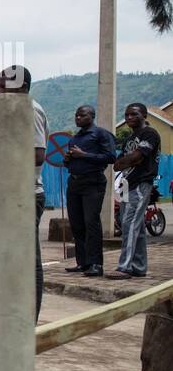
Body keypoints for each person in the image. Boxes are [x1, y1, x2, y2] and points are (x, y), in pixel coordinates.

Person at [0, 65, 48, 319]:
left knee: (28, 261)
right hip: (8, 196)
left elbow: (38, 155)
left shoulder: (30, 111)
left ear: (23, 88)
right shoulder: (6, 114)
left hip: (26, 196)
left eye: (4, 86)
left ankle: (30, 321)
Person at [62, 104, 116, 278]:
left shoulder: (101, 134)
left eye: (82, 115)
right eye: (76, 115)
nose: (77, 118)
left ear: (91, 116)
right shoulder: (74, 138)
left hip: (93, 182)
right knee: (77, 224)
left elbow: (110, 157)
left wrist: (83, 155)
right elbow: (71, 162)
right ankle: (82, 263)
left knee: (91, 222)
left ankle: (96, 264)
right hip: (75, 183)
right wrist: (68, 159)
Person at [110, 102, 162, 279]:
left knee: (129, 223)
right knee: (136, 226)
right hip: (126, 184)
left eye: (134, 114)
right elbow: (117, 165)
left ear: (144, 115)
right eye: (126, 115)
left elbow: (139, 156)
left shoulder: (150, 133)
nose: (129, 118)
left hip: (141, 183)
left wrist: (131, 159)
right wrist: (130, 159)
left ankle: (124, 267)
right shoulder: (128, 140)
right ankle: (139, 267)